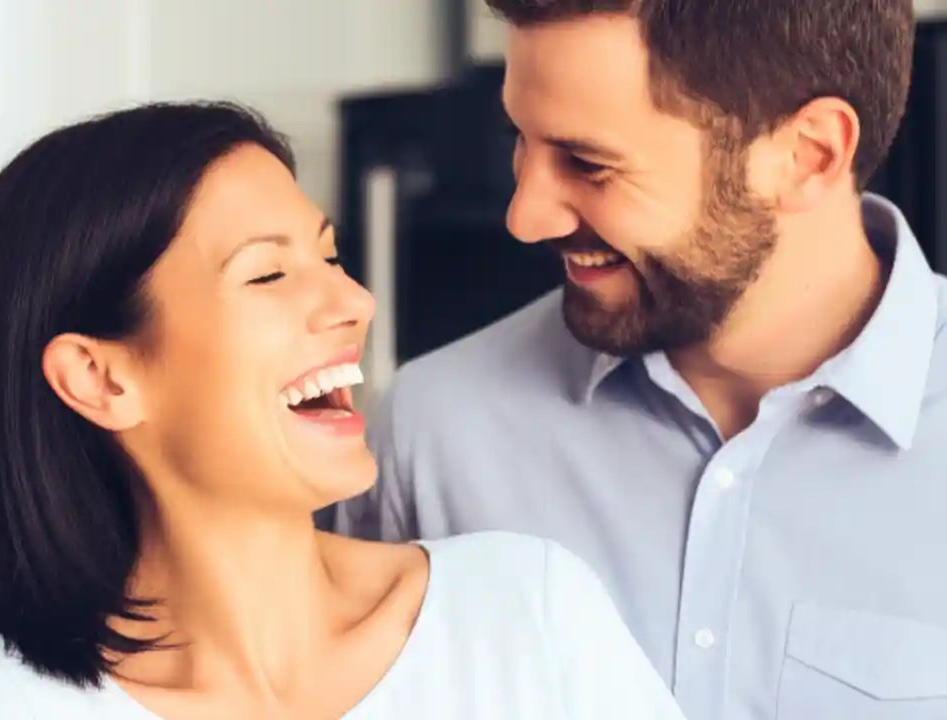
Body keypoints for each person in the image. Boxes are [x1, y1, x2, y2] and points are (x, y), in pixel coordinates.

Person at [0, 102, 684, 719]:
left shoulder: (526, 612)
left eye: (332, 257)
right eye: (269, 276)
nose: (354, 300)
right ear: (101, 378)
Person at [328, 1, 947, 719]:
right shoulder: (435, 434)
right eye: (519, 141)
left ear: (808, 154)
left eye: (588, 165)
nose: (526, 216)